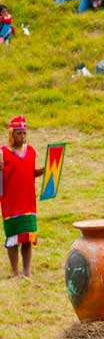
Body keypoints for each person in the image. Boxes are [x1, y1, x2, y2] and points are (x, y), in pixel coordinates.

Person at [1, 116, 43, 279]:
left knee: (27, 237)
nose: (22, 137)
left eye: (24, 133)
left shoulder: (31, 151)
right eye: (19, 133)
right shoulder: (2, 153)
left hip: (28, 201)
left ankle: (27, 271)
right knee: (13, 238)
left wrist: (44, 171)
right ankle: (15, 272)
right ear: (12, 134)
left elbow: (30, 173)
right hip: (11, 202)